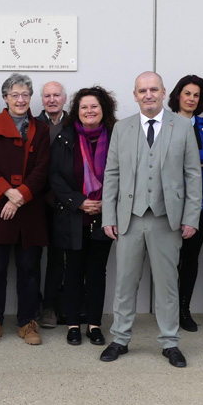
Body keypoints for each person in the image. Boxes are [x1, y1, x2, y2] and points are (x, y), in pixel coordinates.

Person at [100, 72, 201, 368]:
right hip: (129, 218)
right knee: (125, 283)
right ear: (135, 95)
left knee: (168, 284)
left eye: (153, 89)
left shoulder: (182, 126)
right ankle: (120, 338)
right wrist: (109, 215)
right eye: (142, 90)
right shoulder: (122, 128)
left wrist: (191, 216)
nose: (148, 95)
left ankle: (170, 342)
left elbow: (192, 174)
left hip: (166, 218)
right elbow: (112, 174)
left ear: (163, 92)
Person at [0, 73, 50, 345]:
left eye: (25, 95)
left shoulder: (41, 128)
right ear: (5, 98)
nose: (21, 100)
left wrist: (19, 196)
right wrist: (8, 193)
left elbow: (43, 168)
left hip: (30, 210)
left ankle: (27, 322)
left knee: (29, 269)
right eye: (15, 95)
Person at [49, 86, 116, 346]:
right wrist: (79, 202)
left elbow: (125, 174)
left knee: (98, 272)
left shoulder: (115, 136)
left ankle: (95, 325)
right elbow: (54, 176)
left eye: (94, 106)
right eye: (84, 107)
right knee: (73, 271)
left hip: (104, 217)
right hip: (73, 216)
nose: (89, 111)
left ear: (104, 110)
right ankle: (74, 324)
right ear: (77, 111)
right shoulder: (65, 137)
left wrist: (104, 203)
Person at [167, 75, 203, 332]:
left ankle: (183, 310)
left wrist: (189, 157)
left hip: (199, 205)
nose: (191, 99)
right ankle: (166, 312)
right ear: (178, 95)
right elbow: (163, 158)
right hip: (169, 205)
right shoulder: (165, 123)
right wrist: (201, 156)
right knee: (168, 261)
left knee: (190, 260)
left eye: (196, 95)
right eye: (187, 93)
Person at [36, 80, 68, 328]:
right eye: (47, 96)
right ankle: (34, 305)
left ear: (65, 98)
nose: (52, 99)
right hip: (36, 201)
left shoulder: (74, 125)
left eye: (56, 95)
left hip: (65, 202)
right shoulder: (34, 125)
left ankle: (51, 307)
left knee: (58, 257)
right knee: (32, 257)